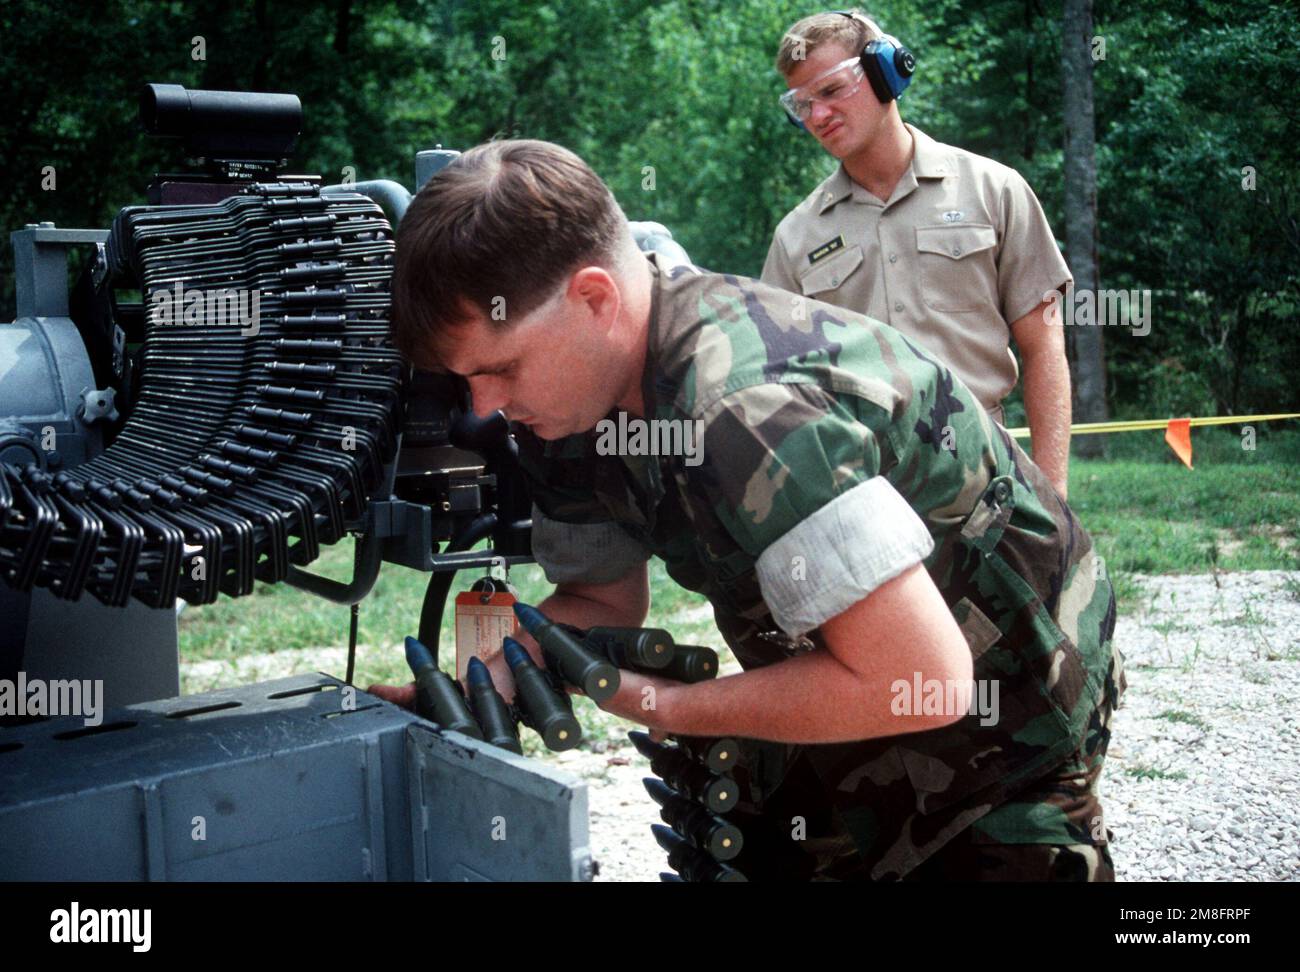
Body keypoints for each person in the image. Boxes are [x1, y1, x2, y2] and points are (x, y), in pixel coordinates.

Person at [379, 138, 1124, 881]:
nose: (485, 407)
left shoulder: (743, 408)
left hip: (1004, 696)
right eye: (466, 379)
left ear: (595, 299)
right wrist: (486, 680)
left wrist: (674, 706)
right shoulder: (567, 407)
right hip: (852, 671)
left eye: (500, 368)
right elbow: (599, 598)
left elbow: (920, 676)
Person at [761, 10, 1074, 498]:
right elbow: (780, 390)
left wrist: (1053, 494)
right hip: (862, 493)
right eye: (801, 104)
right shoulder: (796, 237)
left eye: (830, 90)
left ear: (887, 71)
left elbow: (1043, 347)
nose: (817, 116)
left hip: (988, 479)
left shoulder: (994, 190)